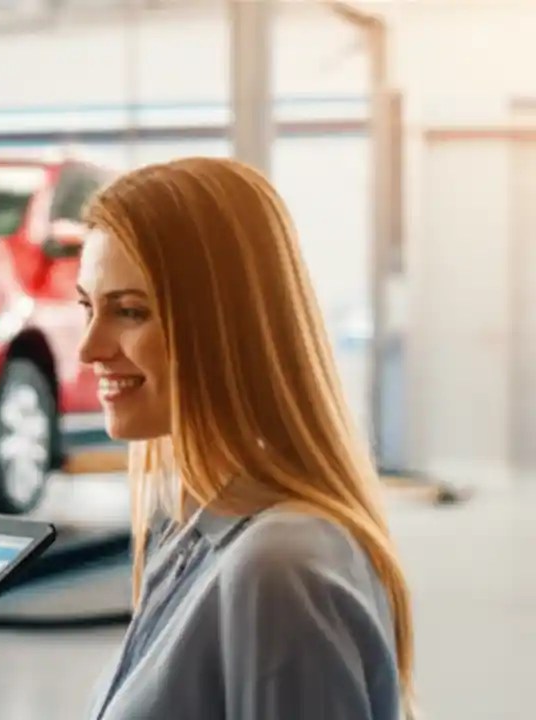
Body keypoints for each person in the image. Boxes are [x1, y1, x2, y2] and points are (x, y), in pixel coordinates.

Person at [73, 157, 415, 719]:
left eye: (129, 311)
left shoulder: (279, 567)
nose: (89, 347)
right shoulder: (199, 532)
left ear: (223, 326)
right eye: (87, 306)